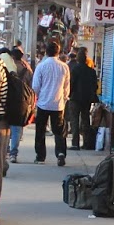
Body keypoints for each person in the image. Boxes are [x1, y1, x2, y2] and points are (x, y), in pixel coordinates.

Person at [31, 38, 71, 166]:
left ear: (46, 52)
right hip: (58, 104)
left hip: (43, 103)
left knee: (41, 130)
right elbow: (66, 87)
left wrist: (35, 100)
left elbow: (36, 86)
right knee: (59, 130)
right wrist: (64, 99)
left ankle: (40, 156)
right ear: (58, 53)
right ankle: (60, 153)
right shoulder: (64, 67)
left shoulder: (41, 66)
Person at [67, 47, 100, 151]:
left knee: (74, 120)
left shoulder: (74, 70)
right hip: (87, 99)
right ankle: (86, 143)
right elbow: (95, 86)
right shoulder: (91, 72)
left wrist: (69, 94)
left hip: (75, 98)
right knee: (85, 120)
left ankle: (75, 143)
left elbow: (71, 83)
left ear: (77, 58)